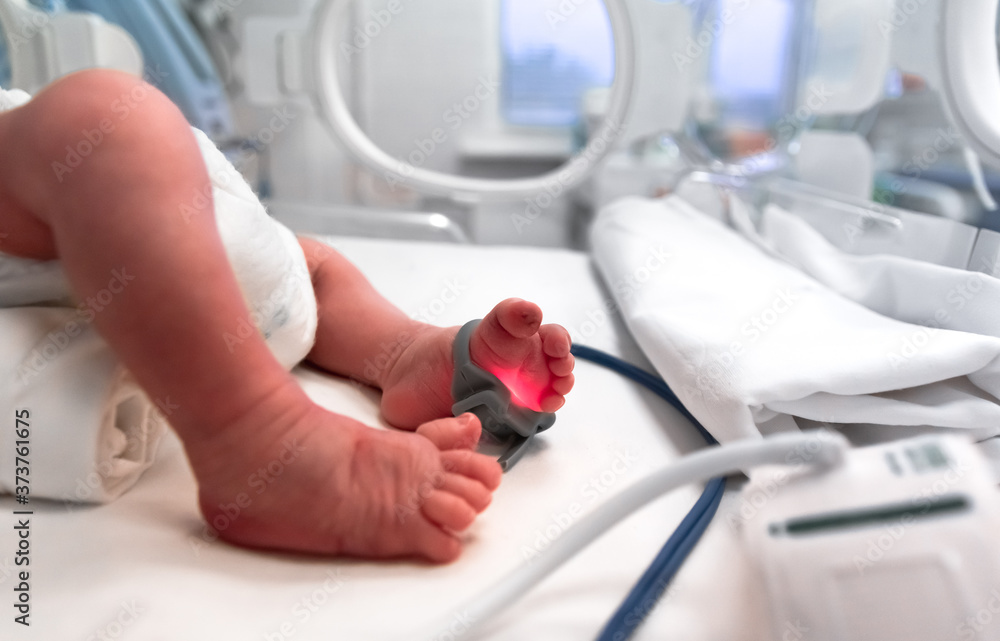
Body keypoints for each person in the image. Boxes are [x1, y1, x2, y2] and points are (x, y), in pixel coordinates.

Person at [0, 69, 575, 563]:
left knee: (300, 269)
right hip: (89, 271)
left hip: (201, 297)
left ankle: (400, 351)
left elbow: (298, 277)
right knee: (100, 121)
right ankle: (253, 437)